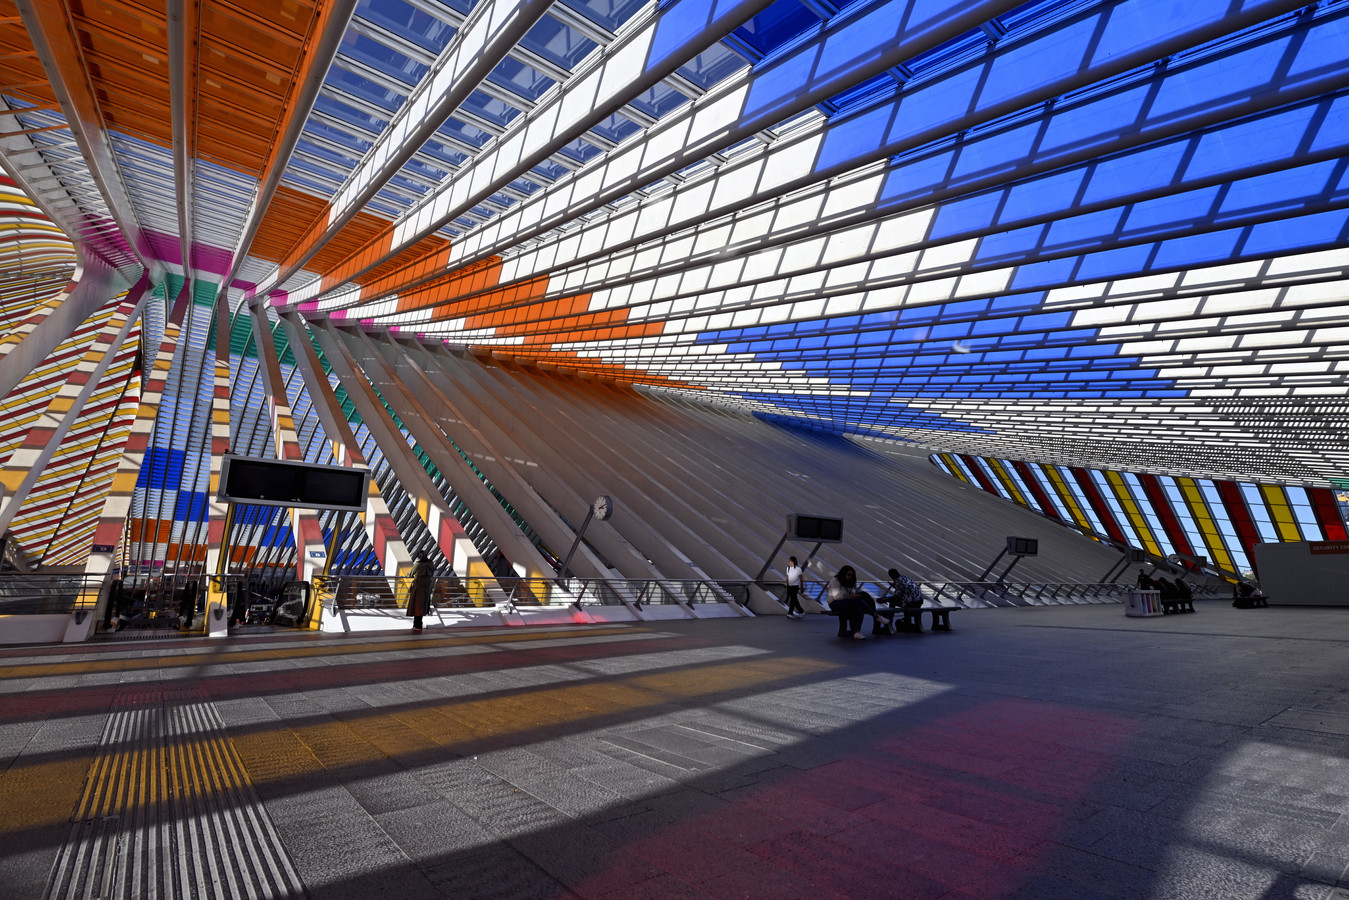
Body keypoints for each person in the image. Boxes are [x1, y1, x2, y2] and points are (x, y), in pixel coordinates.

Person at [826, 565, 891, 639]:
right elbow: (837, 597)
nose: (850, 577)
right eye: (849, 575)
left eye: (852, 575)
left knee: (860, 605)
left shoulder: (849, 582)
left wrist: (855, 595)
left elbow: (850, 593)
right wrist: (851, 596)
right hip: (834, 603)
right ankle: (876, 616)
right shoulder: (835, 580)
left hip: (846, 602)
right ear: (843, 574)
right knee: (858, 602)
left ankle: (856, 632)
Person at [406, 554, 433, 632]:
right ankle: (418, 624)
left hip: (418, 587)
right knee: (422, 606)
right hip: (427, 588)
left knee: (416, 606)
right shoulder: (431, 564)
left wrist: (409, 575)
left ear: (419, 557)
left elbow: (411, 574)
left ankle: (417, 625)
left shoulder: (418, 564)